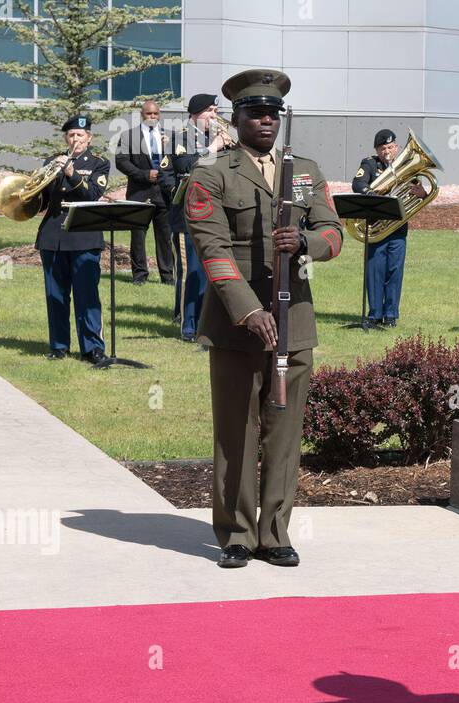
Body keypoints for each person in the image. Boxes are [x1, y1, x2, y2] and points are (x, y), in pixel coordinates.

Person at [184, 69, 344, 569]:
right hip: (236, 324)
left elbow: (334, 232)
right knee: (236, 432)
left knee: (284, 430)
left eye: (274, 113)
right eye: (255, 112)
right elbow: (210, 249)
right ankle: (236, 533)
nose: (266, 120)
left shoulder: (306, 170)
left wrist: (307, 243)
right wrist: (249, 310)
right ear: (238, 117)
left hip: (293, 319)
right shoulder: (211, 173)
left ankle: (274, 532)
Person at [33, 114, 112, 367]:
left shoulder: (99, 164)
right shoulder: (50, 161)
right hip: (53, 237)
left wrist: (72, 172)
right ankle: (58, 346)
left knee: (87, 295)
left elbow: (92, 193)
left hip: (84, 236)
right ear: (66, 138)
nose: (75, 139)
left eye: (80, 135)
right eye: (71, 135)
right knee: (55, 295)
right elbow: (42, 200)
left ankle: (92, 349)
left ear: (89, 138)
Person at [170, 94, 230, 343]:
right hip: (186, 216)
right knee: (190, 273)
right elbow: (185, 166)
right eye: (209, 111)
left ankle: (206, 323)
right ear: (195, 114)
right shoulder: (181, 137)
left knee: (210, 272)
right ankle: (188, 326)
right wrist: (213, 148)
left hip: (214, 216)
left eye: (215, 111)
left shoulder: (216, 137)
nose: (214, 116)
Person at [351, 129, 425, 329]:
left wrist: (422, 193)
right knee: (375, 271)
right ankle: (375, 314)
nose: (387, 151)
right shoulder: (369, 164)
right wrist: (374, 195)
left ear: (397, 147)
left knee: (395, 271)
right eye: (383, 148)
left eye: (390, 147)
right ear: (377, 149)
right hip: (376, 227)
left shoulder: (406, 168)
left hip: (398, 229)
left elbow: (418, 190)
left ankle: (391, 315)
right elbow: (358, 184)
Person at [114, 100, 176, 286]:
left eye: (156, 114)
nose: (152, 117)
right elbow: (121, 161)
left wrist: (169, 148)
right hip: (139, 192)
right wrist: (143, 175)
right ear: (142, 114)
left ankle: (167, 276)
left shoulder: (169, 136)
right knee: (138, 236)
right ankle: (139, 275)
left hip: (163, 194)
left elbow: (177, 162)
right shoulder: (128, 136)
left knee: (165, 236)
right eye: (149, 114)